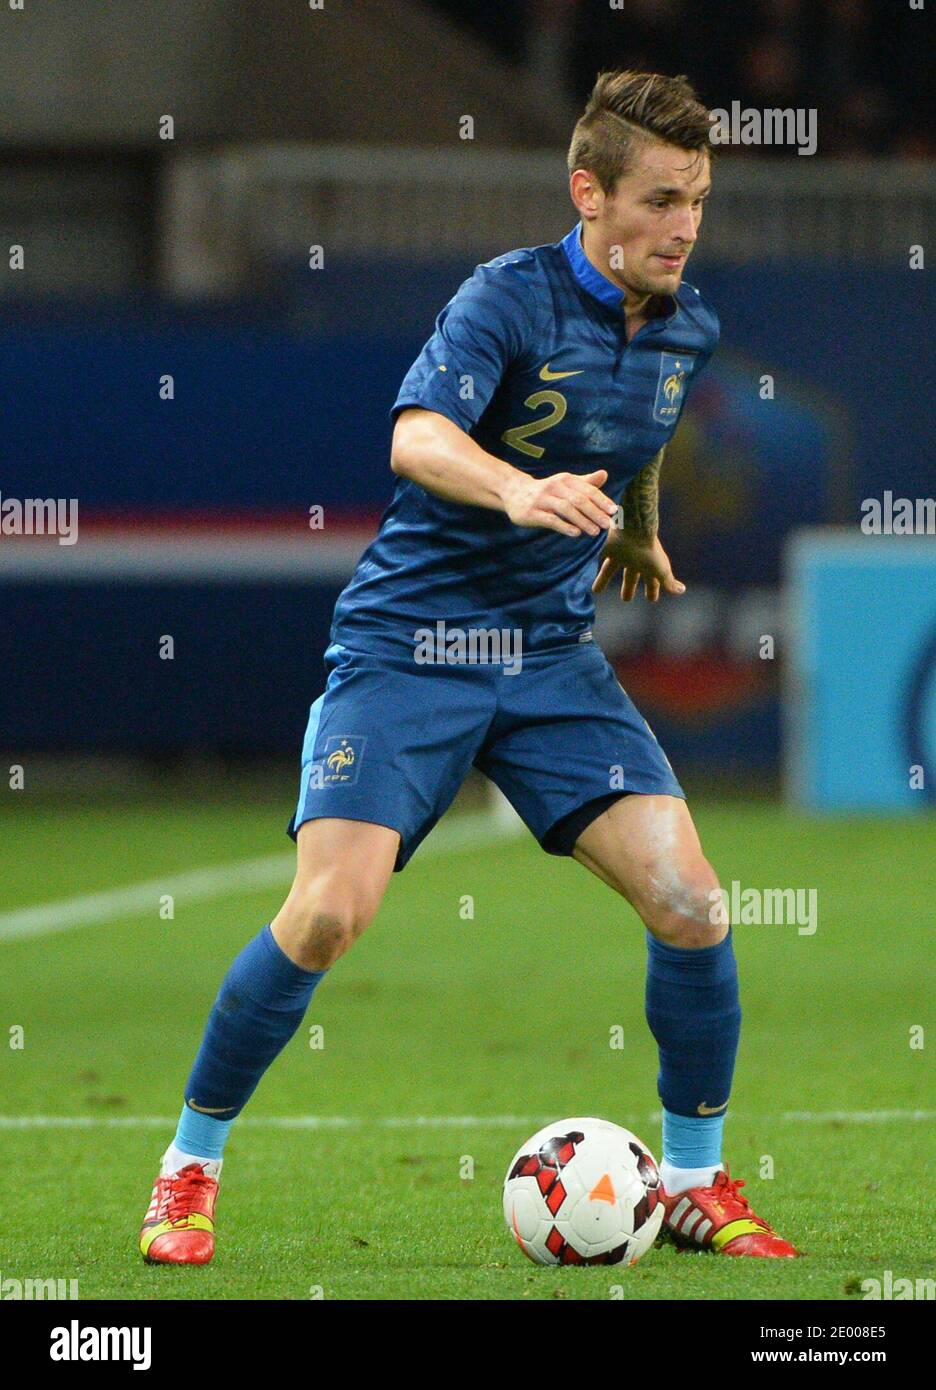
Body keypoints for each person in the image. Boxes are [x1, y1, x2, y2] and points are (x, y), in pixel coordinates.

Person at [139, 70, 798, 1265]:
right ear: (587, 193)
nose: (684, 225)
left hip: (549, 659)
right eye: (659, 199)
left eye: (697, 198)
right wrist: (517, 485)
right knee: (331, 913)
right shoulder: (505, 298)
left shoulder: (686, 324)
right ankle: (189, 1166)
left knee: (695, 901)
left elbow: (635, 433)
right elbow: (416, 437)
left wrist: (638, 520)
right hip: (412, 647)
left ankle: (695, 1182)